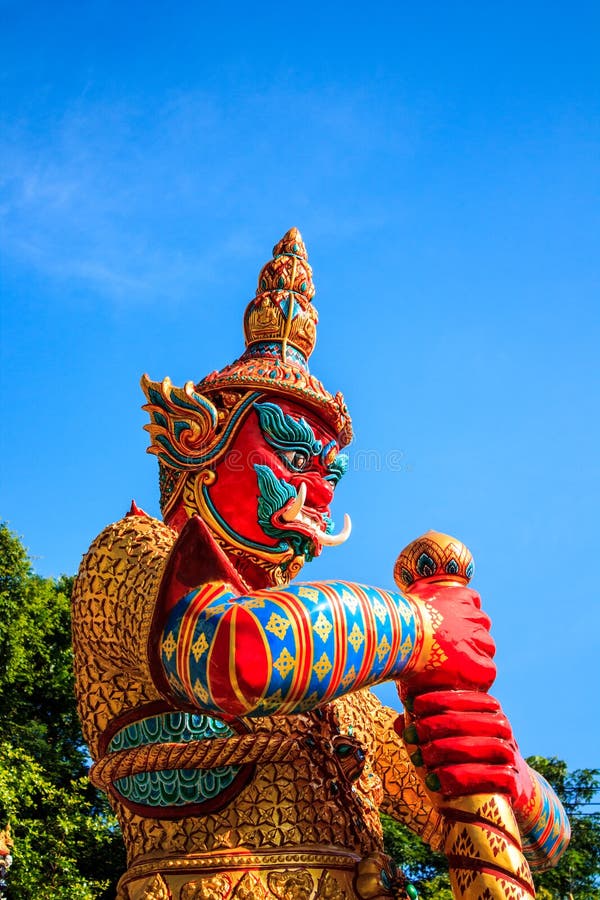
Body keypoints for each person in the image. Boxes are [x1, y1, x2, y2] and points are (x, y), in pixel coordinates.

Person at [72, 229, 569, 900]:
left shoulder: (342, 696)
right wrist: (421, 628)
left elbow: (547, 842)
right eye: (293, 456)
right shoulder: (129, 558)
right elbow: (233, 650)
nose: (321, 493)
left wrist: (494, 763)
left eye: (332, 472)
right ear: (197, 443)